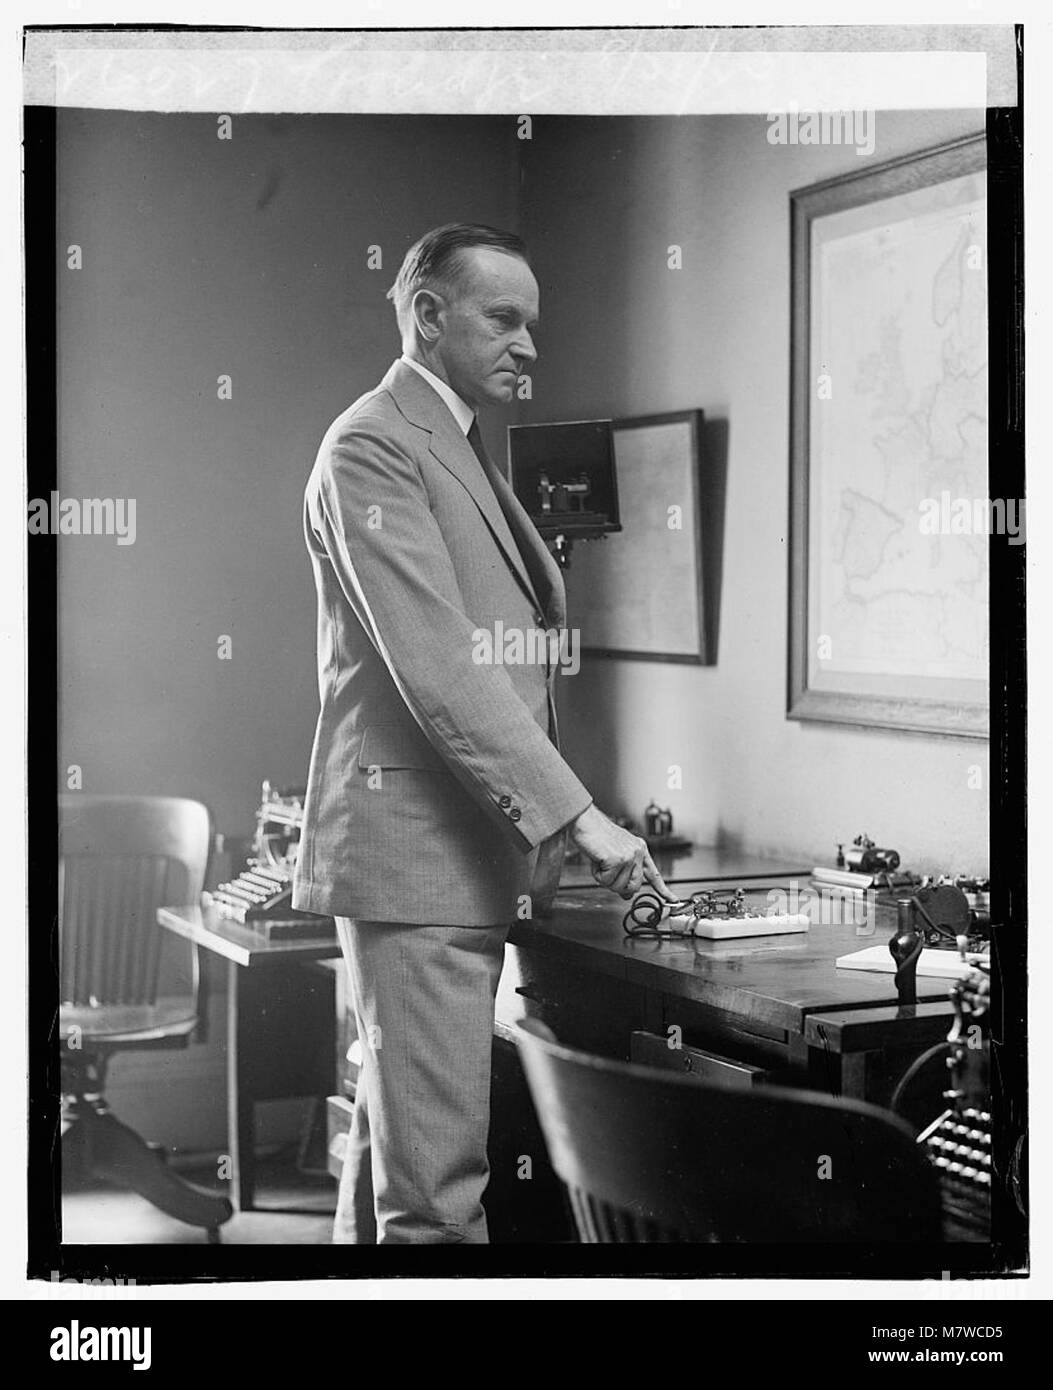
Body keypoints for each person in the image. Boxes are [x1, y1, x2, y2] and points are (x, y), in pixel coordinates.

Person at [292, 222, 674, 1244]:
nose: (529, 346)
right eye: (503, 319)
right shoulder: (374, 442)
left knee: (399, 1166)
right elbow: (440, 666)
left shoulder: (444, 440)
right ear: (426, 316)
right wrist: (578, 816)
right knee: (438, 1205)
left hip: (458, 861)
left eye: (531, 324)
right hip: (417, 863)